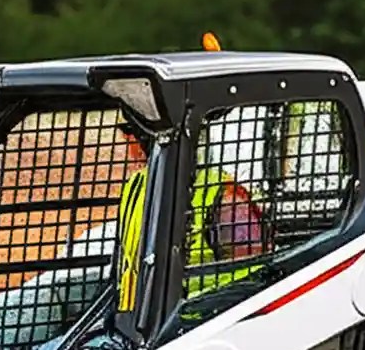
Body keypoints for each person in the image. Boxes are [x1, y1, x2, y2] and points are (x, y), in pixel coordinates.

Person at [114, 126, 266, 312]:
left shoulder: (222, 195)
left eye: (127, 136)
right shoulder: (137, 184)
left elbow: (254, 267)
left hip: (208, 320)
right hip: (146, 318)